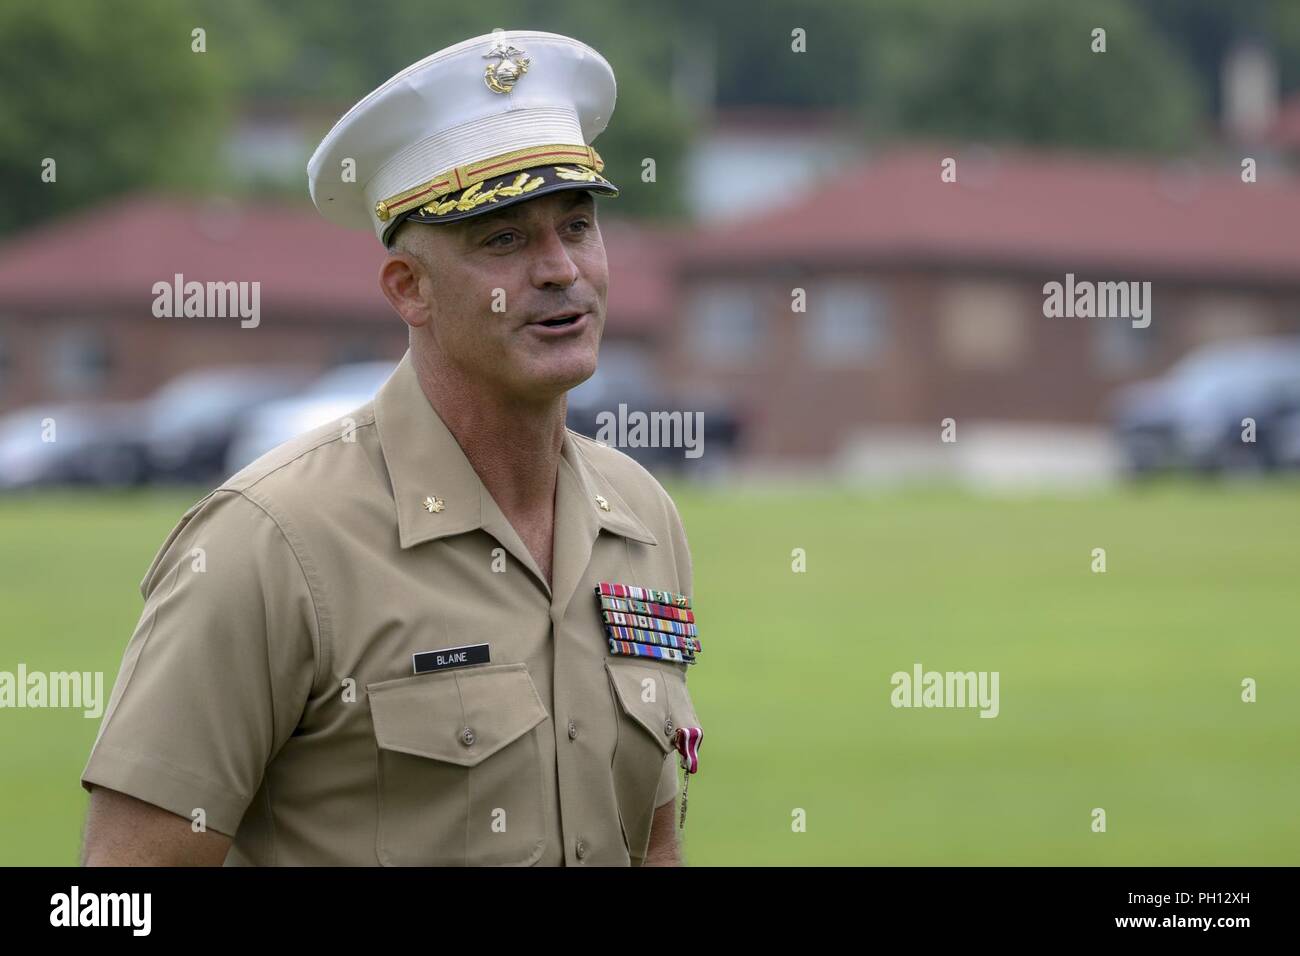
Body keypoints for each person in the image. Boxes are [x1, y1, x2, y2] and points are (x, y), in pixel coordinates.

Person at [80, 29, 704, 867]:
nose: (560, 269)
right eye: (503, 240)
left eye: (578, 226)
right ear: (408, 289)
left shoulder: (642, 518)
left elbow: (654, 839)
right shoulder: (271, 541)